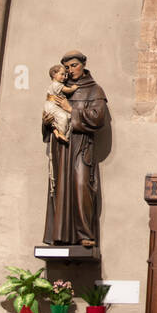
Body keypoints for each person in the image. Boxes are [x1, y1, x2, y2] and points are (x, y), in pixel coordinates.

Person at [42, 52, 107, 248]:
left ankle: (84, 234)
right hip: (61, 146)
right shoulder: (60, 90)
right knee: (60, 187)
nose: (70, 70)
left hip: (81, 145)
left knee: (81, 186)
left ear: (83, 64)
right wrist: (46, 123)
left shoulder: (94, 90)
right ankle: (60, 235)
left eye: (74, 65)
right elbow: (50, 111)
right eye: (67, 67)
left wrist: (71, 110)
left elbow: (98, 118)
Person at [42, 64, 73, 143]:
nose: (66, 76)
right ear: (54, 74)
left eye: (74, 65)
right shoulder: (57, 84)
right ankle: (61, 133)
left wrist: (70, 109)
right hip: (52, 106)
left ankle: (57, 132)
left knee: (65, 117)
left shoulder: (92, 89)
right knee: (62, 117)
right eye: (62, 74)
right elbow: (67, 90)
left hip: (77, 142)